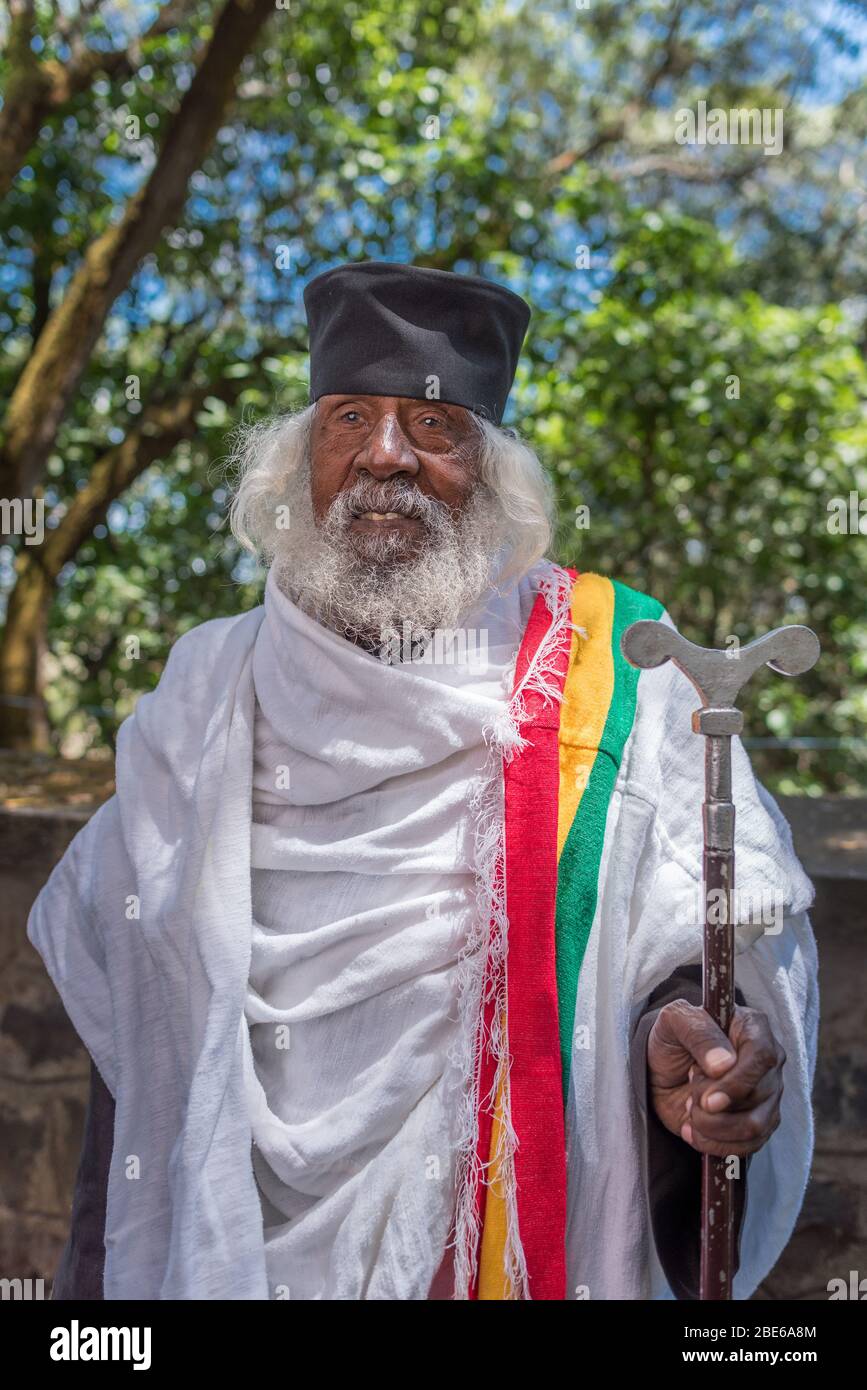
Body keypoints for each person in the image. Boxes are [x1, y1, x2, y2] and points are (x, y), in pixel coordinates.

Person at [28, 261, 818, 1301]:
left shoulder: (618, 669)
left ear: (492, 474)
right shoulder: (200, 699)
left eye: (435, 426)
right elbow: (139, 1015)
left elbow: (688, 929)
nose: (386, 456)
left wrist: (674, 1044)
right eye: (350, 416)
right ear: (298, 462)